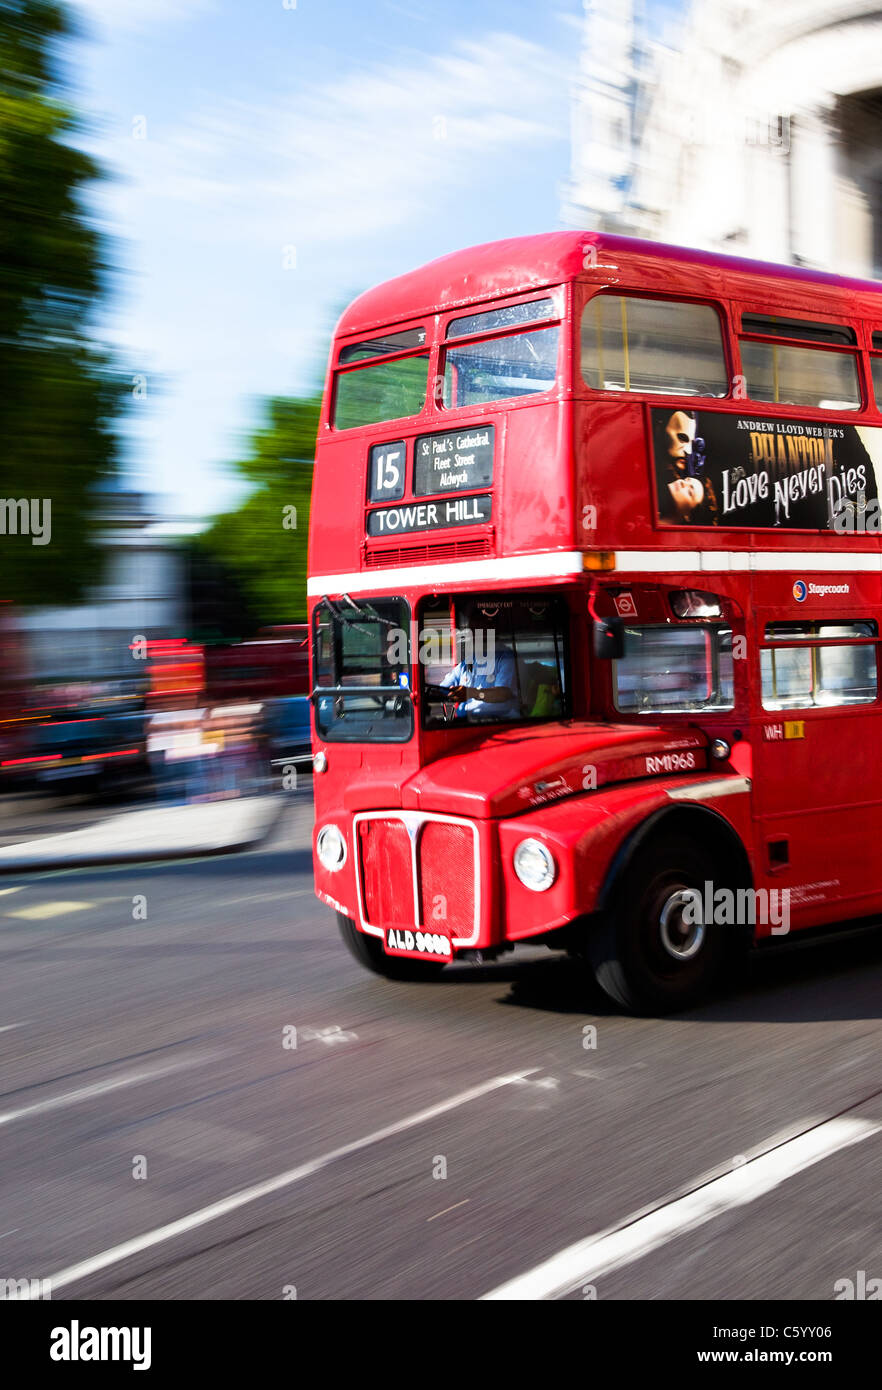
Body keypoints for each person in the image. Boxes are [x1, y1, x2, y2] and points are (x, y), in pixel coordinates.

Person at [438, 605, 520, 719]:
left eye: (478, 628)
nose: (473, 634)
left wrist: (472, 693)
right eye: (472, 629)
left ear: (492, 628)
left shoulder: (506, 657)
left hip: (498, 722)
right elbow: (443, 689)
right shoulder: (468, 661)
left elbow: (503, 694)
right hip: (464, 723)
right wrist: (433, 694)